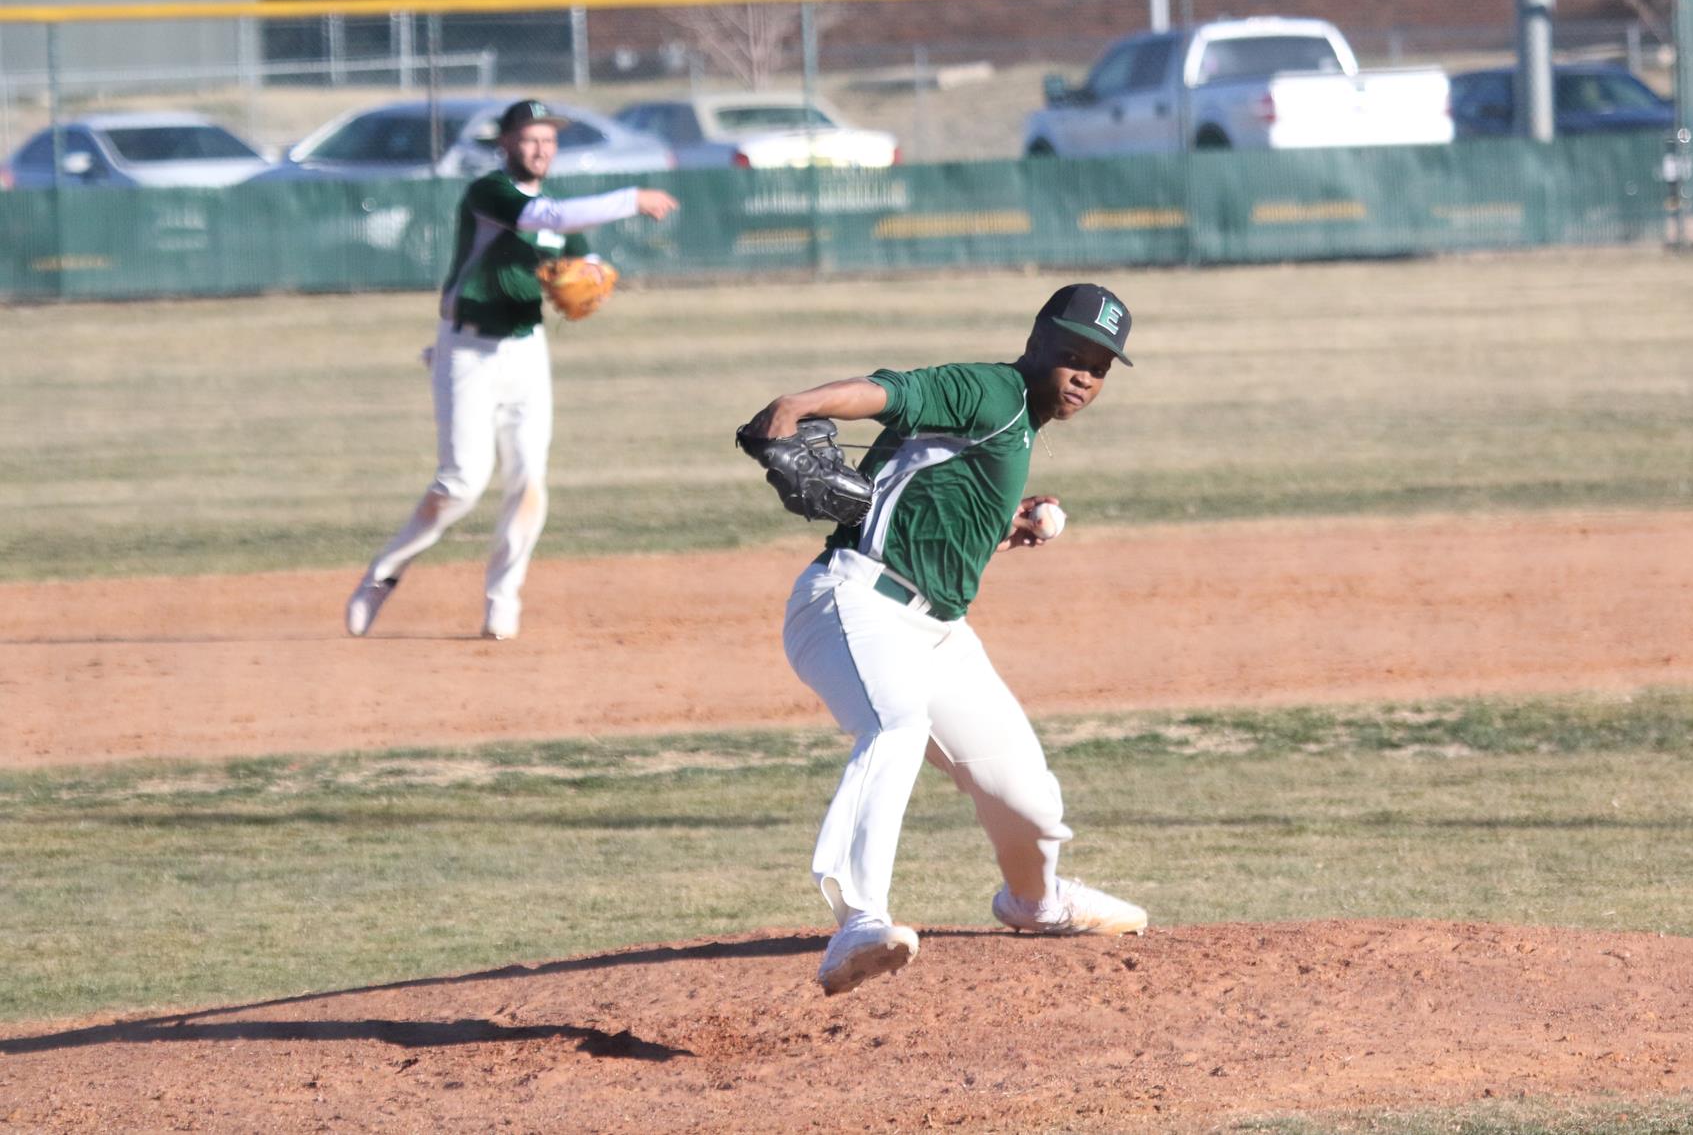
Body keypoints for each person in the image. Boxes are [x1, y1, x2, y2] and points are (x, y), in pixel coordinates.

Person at [738, 283, 1149, 996]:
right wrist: (794, 408)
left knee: (1024, 792)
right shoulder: (990, 389)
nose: (1084, 374)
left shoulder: (1017, 423)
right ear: (1037, 343)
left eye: (1101, 365)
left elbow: (928, 502)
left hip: (935, 629)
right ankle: (859, 920)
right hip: (852, 602)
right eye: (1072, 354)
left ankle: (1036, 902)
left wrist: (1001, 525)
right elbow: (892, 392)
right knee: (896, 724)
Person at [345, 98, 676, 640]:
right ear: (505, 144)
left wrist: (592, 274)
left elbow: (580, 251)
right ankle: (384, 574)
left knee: (528, 482)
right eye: (529, 138)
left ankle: (503, 602)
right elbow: (548, 218)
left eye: (549, 139)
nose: (541, 148)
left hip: (525, 352)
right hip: (467, 352)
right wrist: (632, 199)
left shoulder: (556, 213)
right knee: (460, 485)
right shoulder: (490, 194)